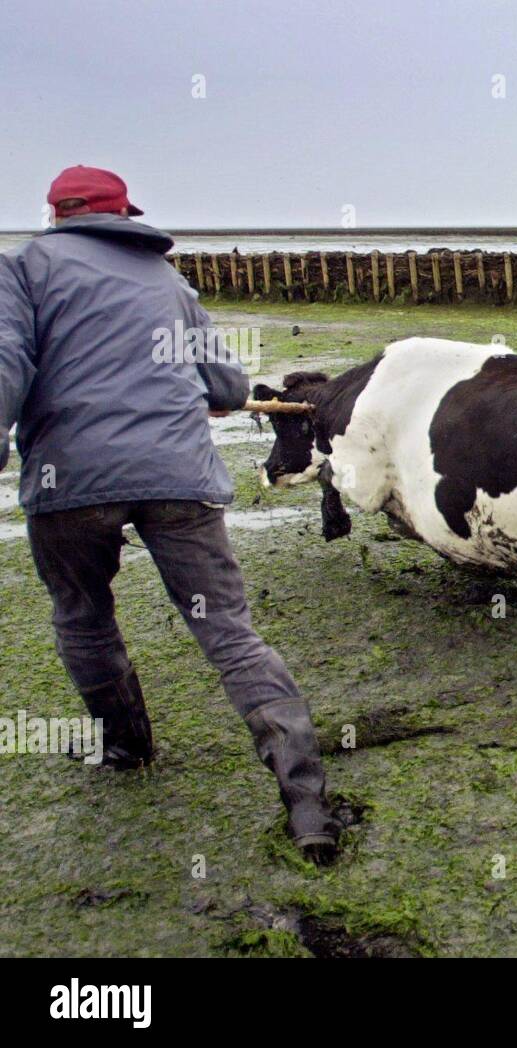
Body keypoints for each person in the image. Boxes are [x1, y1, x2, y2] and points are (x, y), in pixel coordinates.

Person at [0, 166, 340, 864]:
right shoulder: (168, 284)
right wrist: (207, 392)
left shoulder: (24, 267)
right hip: (179, 479)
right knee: (230, 634)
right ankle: (307, 801)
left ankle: (126, 745)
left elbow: (7, 364)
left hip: (71, 481)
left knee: (83, 613)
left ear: (56, 214)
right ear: (125, 215)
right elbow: (226, 385)